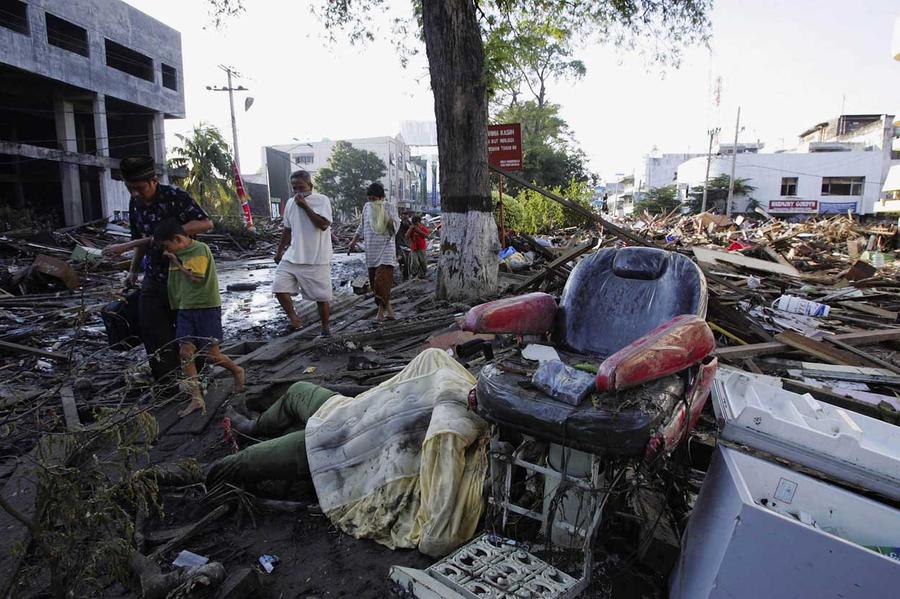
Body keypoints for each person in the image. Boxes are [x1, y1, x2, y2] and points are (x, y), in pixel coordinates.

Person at [102, 156, 212, 384]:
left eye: (139, 188)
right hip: (154, 276)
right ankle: (167, 385)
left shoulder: (174, 197)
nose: (135, 194)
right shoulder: (136, 204)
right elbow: (141, 240)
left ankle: (198, 379)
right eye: (130, 188)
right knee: (152, 329)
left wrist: (166, 234)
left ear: (153, 181)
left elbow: (205, 223)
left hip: (182, 275)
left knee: (187, 331)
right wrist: (133, 271)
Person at [154, 219, 245, 417]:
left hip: (206, 307)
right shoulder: (176, 253)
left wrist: (175, 261)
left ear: (177, 239)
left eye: (166, 246)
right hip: (185, 308)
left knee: (211, 356)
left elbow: (195, 278)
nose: (165, 251)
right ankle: (196, 398)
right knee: (185, 353)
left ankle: (237, 370)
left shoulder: (199, 249)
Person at [273, 170, 334, 335]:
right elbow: (287, 229)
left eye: (301, 187)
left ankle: (325, 328)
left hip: (317, 256)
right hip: (294, 254)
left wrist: (306, 206)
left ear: (310, 186)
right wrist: (279, 252)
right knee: (279, 286)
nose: (298, 191)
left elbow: (323, 225)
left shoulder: (322, 200)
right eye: (294, 188)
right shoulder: (291, 203)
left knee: (322, 297)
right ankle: (295, 320)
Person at [348, 182, 400, 322]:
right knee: (374, 284)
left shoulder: (389, 207)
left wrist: (385, 217)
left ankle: (381, 313)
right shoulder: (367, 207)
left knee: (381, 282)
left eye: (374, 198)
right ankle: (388, 310)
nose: (372, 201)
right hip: (371, 249)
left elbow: (395, 227)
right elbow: (362, 225)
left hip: (386, 250)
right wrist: (353, 241)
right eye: (370, 198)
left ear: (381, 197)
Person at [406, 215, 430, 279]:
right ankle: (413, 274)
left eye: (417, 223)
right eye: (414, 223)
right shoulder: (411, 229)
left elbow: (427, 236)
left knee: (423, 262)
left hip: (421, 248)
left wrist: (418, 231)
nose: (416, 225)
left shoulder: (422, 228)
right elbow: (406, 236)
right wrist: (410, 229)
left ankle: (422, 275)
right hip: (414, 248)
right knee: (414, 262)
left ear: (419, 222)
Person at [395, 211, 412, 281]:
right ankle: (403, 277)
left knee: (408, 262)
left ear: (408, 216)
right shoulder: (397, 225)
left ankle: (407, 276)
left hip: (409, 246)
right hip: (399, 246)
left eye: (406, 215)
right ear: (401, 216)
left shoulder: (411, 225)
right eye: (403, 215)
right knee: (400, 262)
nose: (405, 216)